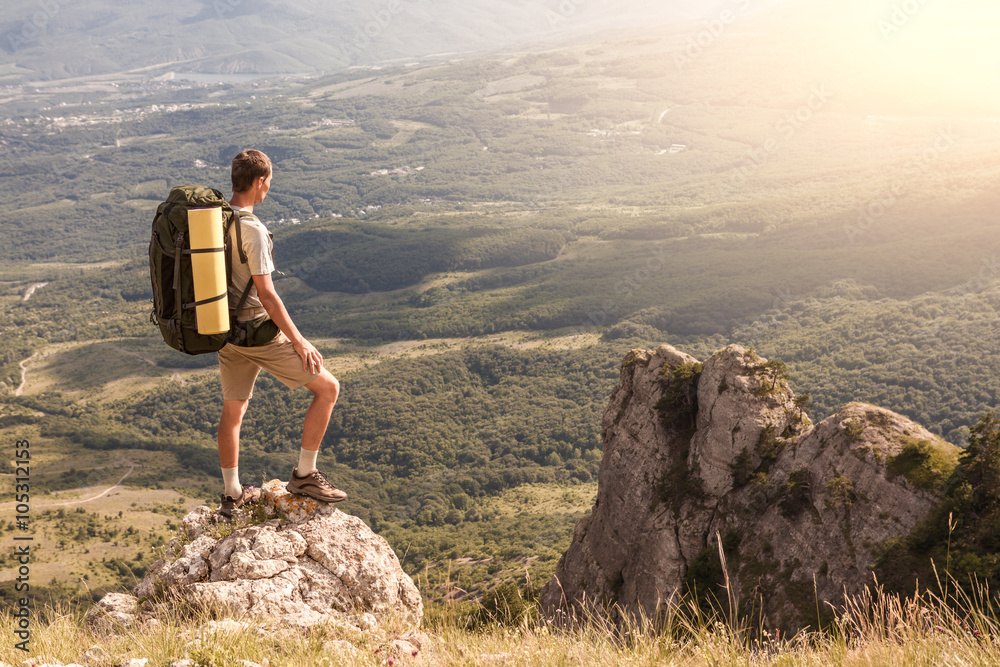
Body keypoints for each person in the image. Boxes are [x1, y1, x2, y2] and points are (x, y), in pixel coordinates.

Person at [215, 148, 346, 517]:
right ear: (259, 182)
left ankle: (232, 493)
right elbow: (268, 295)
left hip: (224, 333)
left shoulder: (216, 220)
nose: (268, 188)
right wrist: (299, 341)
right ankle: (304, 474)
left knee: (233, 410)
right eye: (268, 182)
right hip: (257, 333)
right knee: (328, 388)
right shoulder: (251, 229)